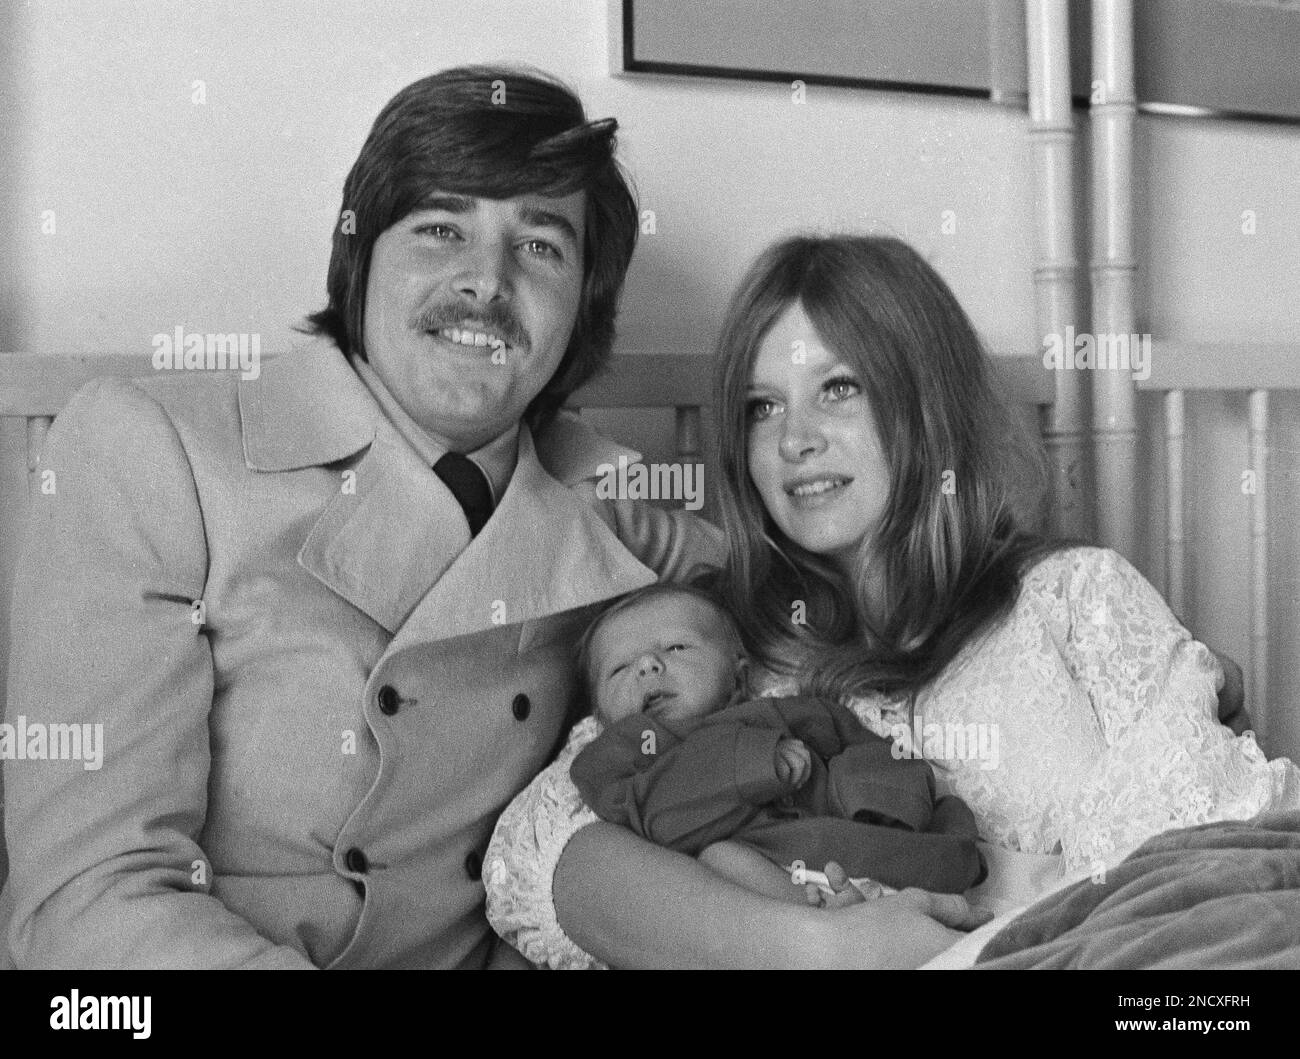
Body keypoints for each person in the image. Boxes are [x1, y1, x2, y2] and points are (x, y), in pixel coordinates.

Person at [0, 66, 725, 969]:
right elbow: (85, 905)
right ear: (361, 256)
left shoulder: (602, 502)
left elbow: (781, 614)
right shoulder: (150, 450)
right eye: (440, 229)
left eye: (541, 247)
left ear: (583, 309)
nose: (486, 283)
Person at [485, 234, 1300, 969]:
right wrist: (826, 947)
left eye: (837, 388)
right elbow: (543, 856)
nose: (794, 438)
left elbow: (1212, 841)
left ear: (924, 401)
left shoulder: (1075, 595)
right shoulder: (717, 649)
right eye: (762, 407)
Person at [569, 582, 986, 900]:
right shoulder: (619, 754)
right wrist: (754, 763)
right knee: (720, 858)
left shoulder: (795, 711)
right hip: (771, 886)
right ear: (600, 717)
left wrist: (864, 795)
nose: (648, 666)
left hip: (858, 845)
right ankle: (833, 925)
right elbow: (653, 813)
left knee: (944, 817)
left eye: (676, 647)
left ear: (739, 674)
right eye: (620, 669)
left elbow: (866, 749)